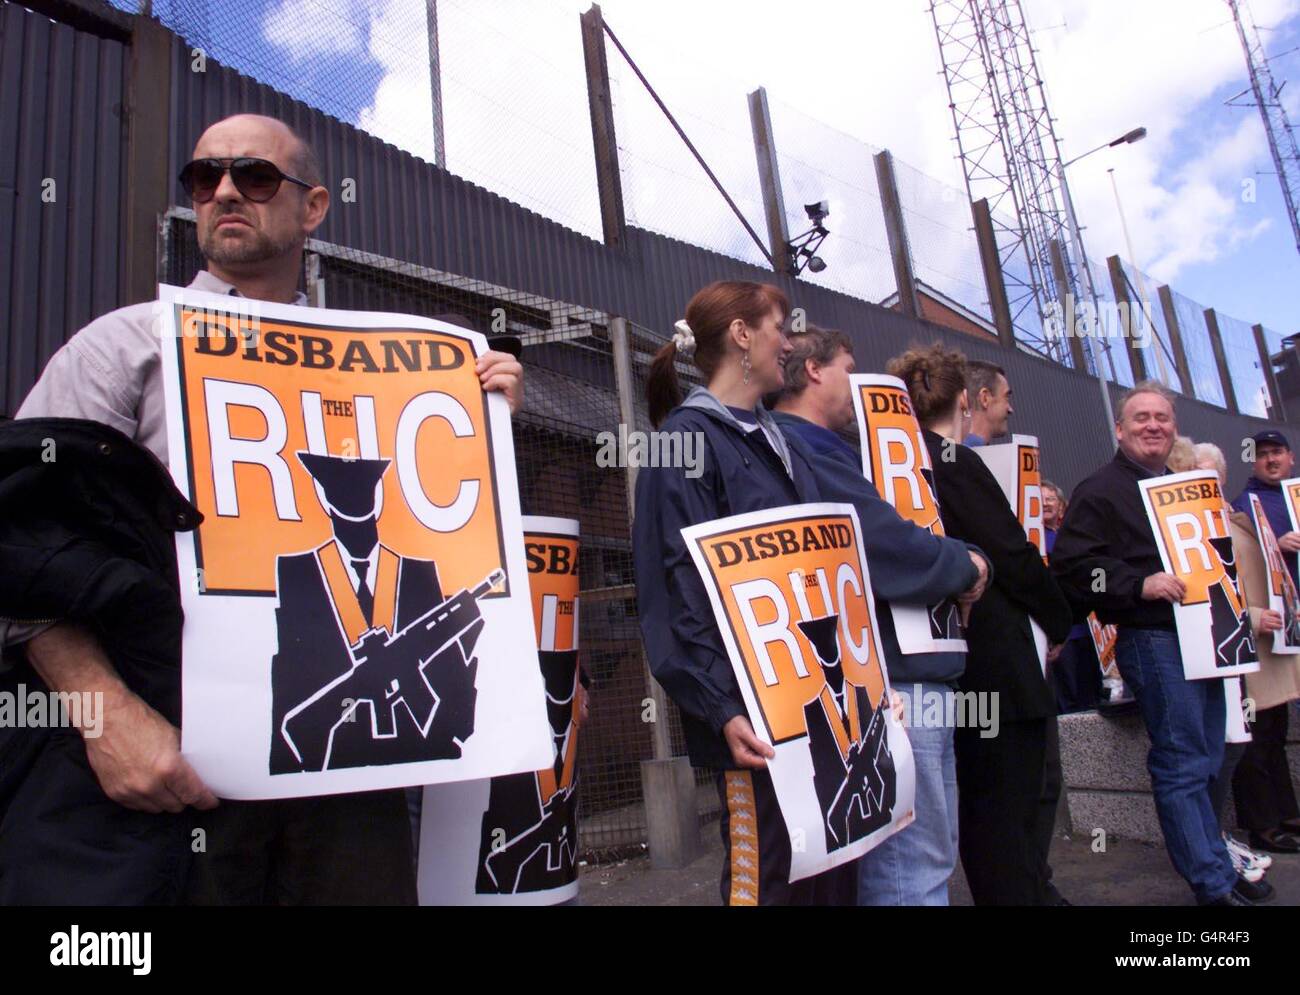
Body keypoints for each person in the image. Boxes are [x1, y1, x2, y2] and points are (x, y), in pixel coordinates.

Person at [2, 113, 524, 905]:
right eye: (203, 178)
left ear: (313, 207)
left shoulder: (388, 376)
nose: (222, 193)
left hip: (351, 787)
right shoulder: (125, 347)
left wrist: (478, 430)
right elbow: (22, 538)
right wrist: (103, 714)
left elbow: (437, 540)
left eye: (253, 176)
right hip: (166, 772)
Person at [634, 280, 871, 906]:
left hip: (822, 706)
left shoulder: (783, 442)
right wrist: (721, 707)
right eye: (778, 328)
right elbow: (675, 588)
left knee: (831, 874)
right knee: (769, 881)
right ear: (742, 335)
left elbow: (830, 566)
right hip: (754, 724)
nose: (789, 343)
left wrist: (867, 683)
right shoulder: (683, 444)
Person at [769, 325, 990, 905]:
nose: (857, 380)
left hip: (906, 674)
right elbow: (889, 542)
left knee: (922, 858)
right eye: (849, 363)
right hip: (894, 677)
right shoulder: (803, 446)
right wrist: (968, 565)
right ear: (814, 369)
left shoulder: (835, 448)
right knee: (912, 866)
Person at [1050, 381, 1269, 905]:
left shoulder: (1185, 487)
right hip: (1154, 640)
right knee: (1183, 762)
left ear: (1174, 429)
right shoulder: (1098, 489)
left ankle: (1215, 864)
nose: (1153, 425)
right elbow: (1073, 569)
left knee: (1210, 758)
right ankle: (1211, 884)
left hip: (1207, 638)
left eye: (1162, 418)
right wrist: (1137, 583)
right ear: (1119, 429)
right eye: (1141, 417)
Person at [891, 343, 1072, 905]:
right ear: (966, 398)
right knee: (1008, 808)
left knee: (981, 805)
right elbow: (1013, 556)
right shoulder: (952, 461)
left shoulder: (900, 466)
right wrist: (1060, 619)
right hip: (996, 665)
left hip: (949, 663)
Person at [1193, 442, 1275, 882]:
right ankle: (1212, 842)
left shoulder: (1233, 517)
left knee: (1236, 745)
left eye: (1216, 478)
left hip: (1239, 653)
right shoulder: (1187, 527)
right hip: (1211, 650)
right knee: (1216, 752)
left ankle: (1217, 836)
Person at [1224, 433, 1300, 857]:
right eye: (1263, 454)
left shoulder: (1294, 497)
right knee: (1259, 730)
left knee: (1277, 729)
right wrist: (1277, 542)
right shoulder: (1242, 510)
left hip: (1289, 637)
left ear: (1290, 457)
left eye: (1278, 453)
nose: (1271, 460)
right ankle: (1263, 825)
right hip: (1266, 636)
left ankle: (1285, 812)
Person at [962, 359, 1013, 447]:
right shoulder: (966, 457)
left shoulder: (947, 453)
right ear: (985, 398)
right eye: (1006, 397)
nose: (1010, 409)